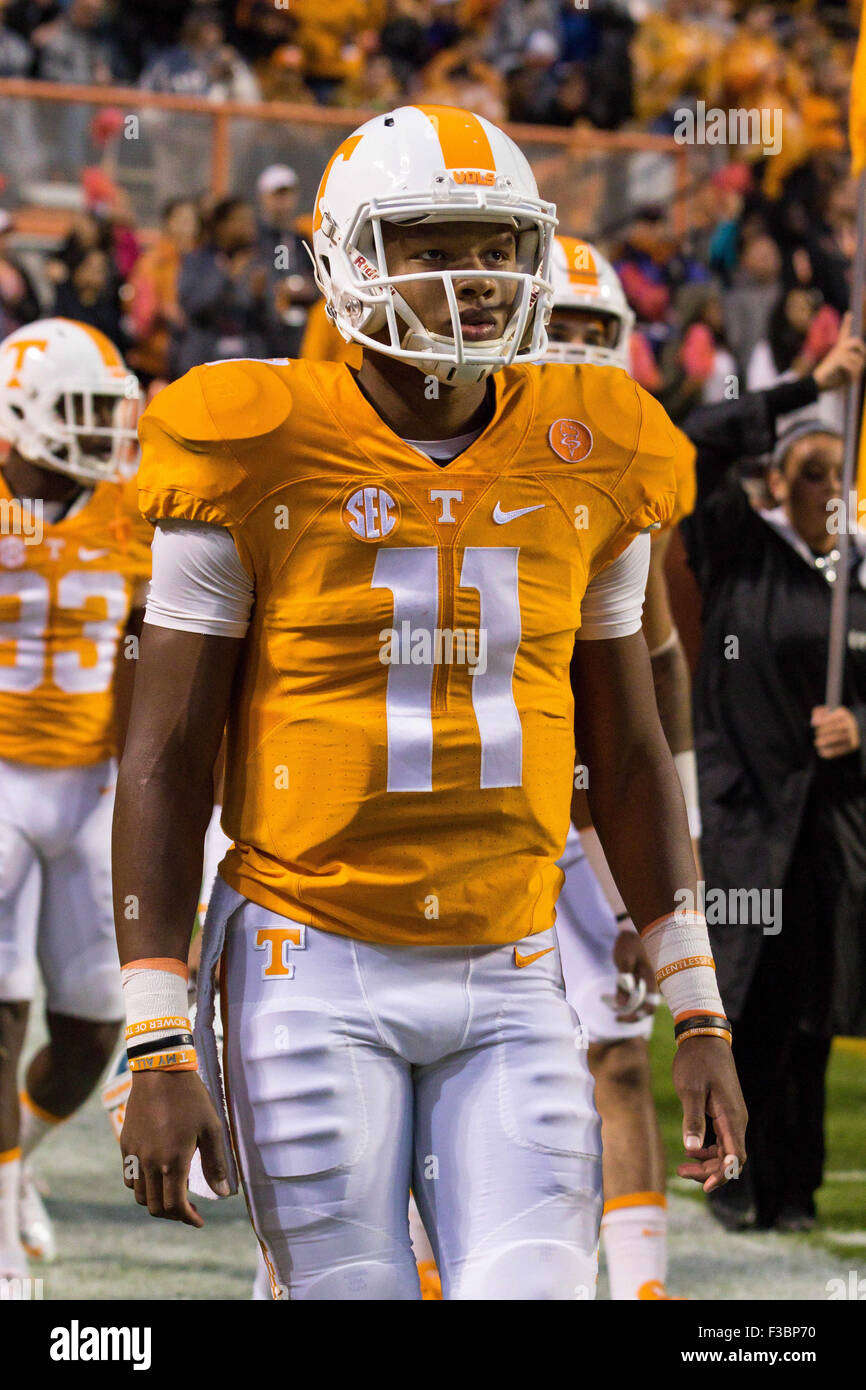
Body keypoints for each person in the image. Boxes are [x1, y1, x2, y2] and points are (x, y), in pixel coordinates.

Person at [114, 104, 746, 1301]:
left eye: (498, 245)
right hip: (307, 956)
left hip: (511, 966)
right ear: (347, 256)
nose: (471, 276)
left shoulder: (593, 443)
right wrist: (153, 1031)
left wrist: (696, 1004)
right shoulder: (247, 436)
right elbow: (165, 753)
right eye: (428, 243)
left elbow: (626, 749)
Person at [681, 317, 866, 1233]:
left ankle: (797, 1183)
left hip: (828, 834)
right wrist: (809, 382)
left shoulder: (857, 585)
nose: (826, 489)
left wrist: (857, 724)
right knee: (740, 1003)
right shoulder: (737, 551)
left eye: (839, 474)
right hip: (751, 825)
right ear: (778, 481)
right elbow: (694, 439)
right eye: (810, 473)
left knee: (813, 1014)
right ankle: (731, 1172)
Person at [543, 234, 698, 1300]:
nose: (585, 351)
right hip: (462, 805)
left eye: (602, 331)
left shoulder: (625, 459)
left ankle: (641, 1289)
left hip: (594, 813)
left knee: (614, 1054)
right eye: (567, 328)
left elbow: (657, 661)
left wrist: (673, 837)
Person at [0, 318, 151, 1283]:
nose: (103, 431)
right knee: (3, 1007)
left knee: (96, 1028)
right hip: (0, 773)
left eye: (110, 410)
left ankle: (11, 1162)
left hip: (92, 784)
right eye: (82, 411)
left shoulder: (137, 504)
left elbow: (150, 641)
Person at [174, 198, 270, 377]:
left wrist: (260, 297)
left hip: (248, 364)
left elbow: (267, 320)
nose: (249, 226)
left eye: (250, 220)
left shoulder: (258, 261)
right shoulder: (198, 260)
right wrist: (227, 276)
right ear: (222, 225)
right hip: (203, 360)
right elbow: (192, 307)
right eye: (240, 220)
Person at [254, 166, 318, 360]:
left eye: (288, 195)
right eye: (277, 195)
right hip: (262, 334)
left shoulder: (300, 239)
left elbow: (318, 279)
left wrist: (311, 289)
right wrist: (274, 289)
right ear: (263, 198)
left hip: (299, 332)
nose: (283, 203)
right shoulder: (254, 238)